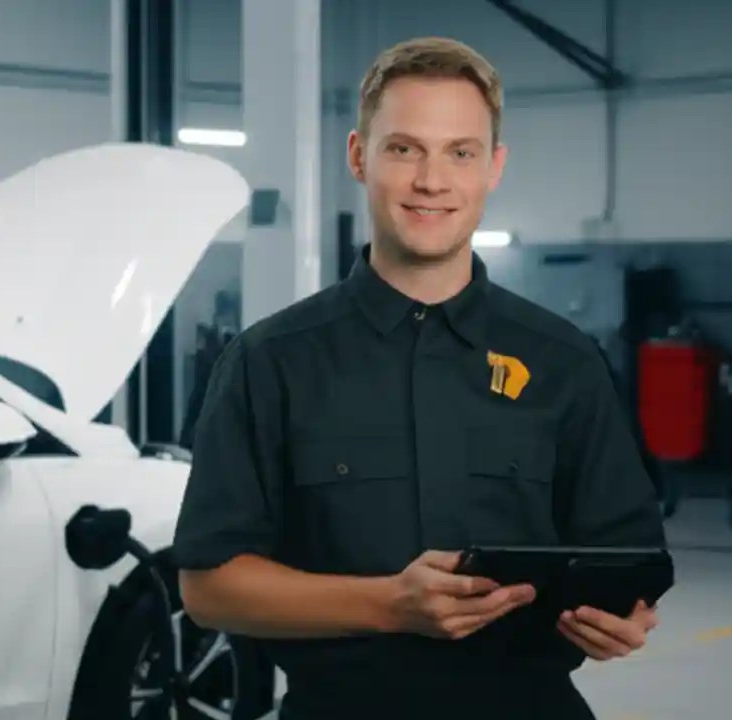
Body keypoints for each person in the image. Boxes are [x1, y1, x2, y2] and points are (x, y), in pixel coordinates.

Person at [172, 36, 666, 719]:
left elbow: (626, 555)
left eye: (460, 152)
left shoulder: (565, 362)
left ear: (493, 167)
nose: (432, 180)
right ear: (358, 156)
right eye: (404, 148)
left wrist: (624, 616)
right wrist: (388, 605)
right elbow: (208, 586)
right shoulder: (270, 362)